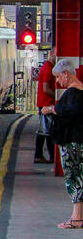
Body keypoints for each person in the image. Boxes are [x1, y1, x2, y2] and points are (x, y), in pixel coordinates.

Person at [44, 59, 83, 228]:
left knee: (73, 178)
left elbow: (70, 113)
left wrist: (52, 109)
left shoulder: (74, 93)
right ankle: (78, 217)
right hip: (78, 140)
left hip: (72, 143)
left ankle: (77, 218)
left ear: (66, 74)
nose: (58, 81)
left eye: (59, 77)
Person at [36, 51, 58, 164]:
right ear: (52, 55)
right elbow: (46, 88)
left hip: (44, 103)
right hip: (46, 103)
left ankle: (40, 155)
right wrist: (58, 97)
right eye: (56, 55)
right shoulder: (48, 69)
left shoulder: (48, 67)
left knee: (45, 131)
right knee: (48, 132)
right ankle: (45, 155)